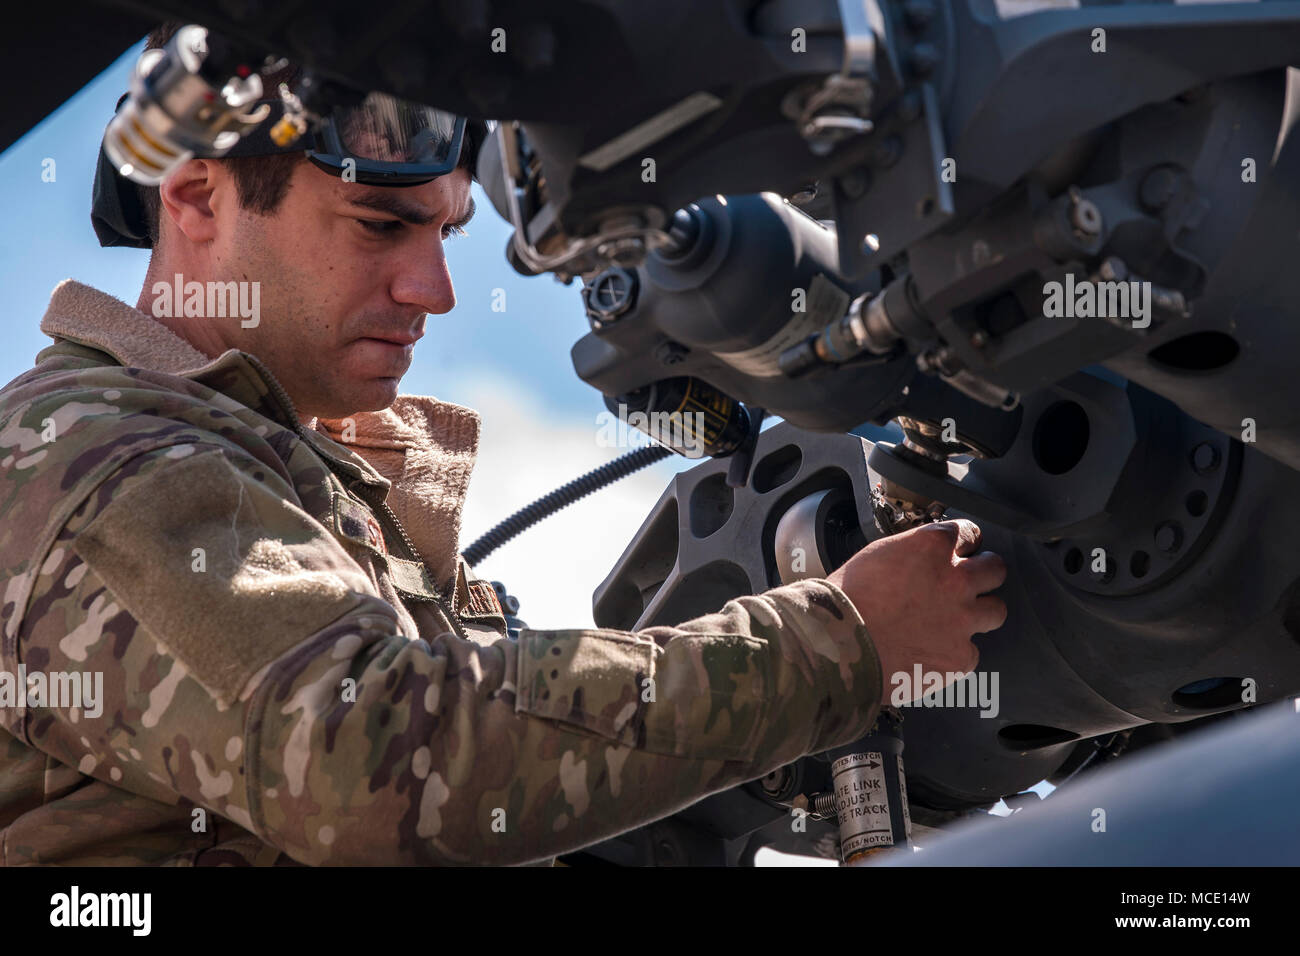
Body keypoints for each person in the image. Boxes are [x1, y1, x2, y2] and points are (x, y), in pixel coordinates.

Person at [0, 24, 1006, 865]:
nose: (433, 290)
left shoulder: (307, 486)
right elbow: (368, 755)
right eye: (380, 226)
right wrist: (839, 641)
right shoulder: (93, 453)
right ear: (196, 196)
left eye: (446, 233)